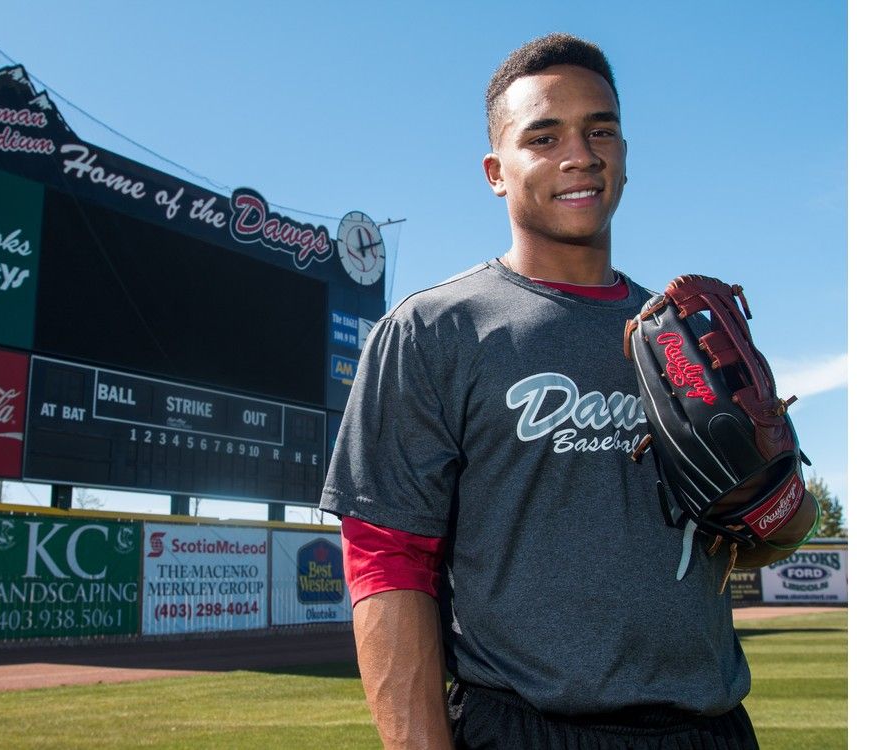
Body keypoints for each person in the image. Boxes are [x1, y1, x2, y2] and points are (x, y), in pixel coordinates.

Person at [320, 33, 759, 750]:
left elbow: (752, 536)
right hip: (526, 729)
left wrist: (774, 505)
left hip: (710, 729)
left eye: (600, 130)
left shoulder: (683, 338)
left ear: (622, 153)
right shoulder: (433, 330)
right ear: (496, 171)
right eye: (544, 136)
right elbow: (386, 555)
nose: (579, 154)